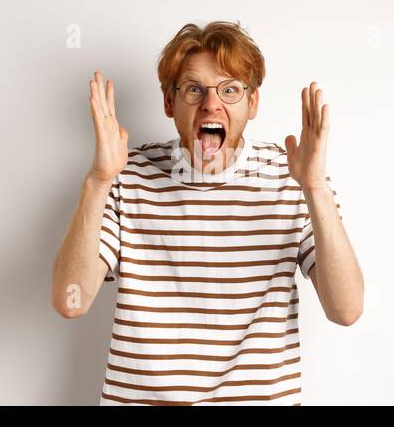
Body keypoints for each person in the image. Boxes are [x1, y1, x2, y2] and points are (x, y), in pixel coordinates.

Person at [50, 21, 364, 405]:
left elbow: (346, 309)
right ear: (169, 102)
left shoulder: (294, 176)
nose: (211, 104)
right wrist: (98, 179)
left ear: (252, 103)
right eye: (194, 89)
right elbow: (72, 301)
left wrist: (314, 188)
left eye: (230, 89)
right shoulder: (124, 175)